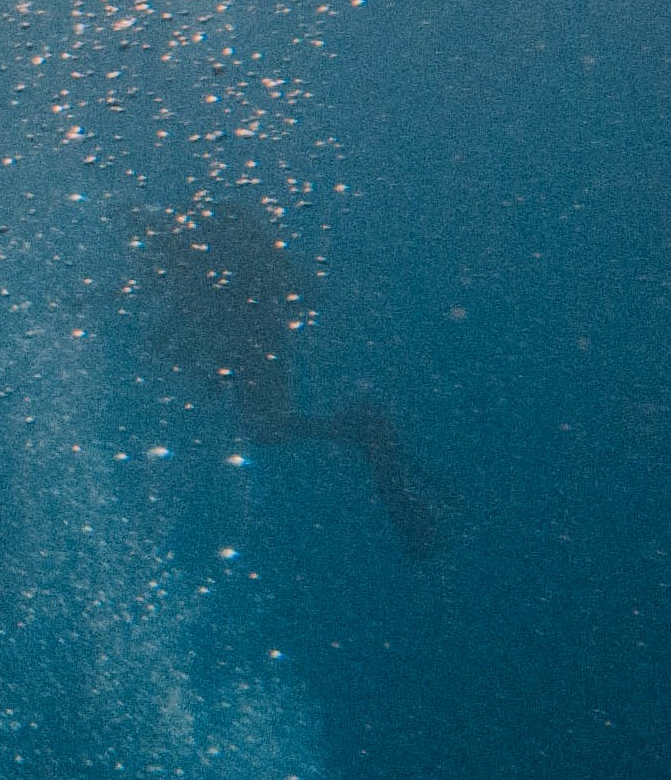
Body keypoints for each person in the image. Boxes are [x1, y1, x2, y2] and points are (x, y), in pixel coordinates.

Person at [129, 186, 449, 558]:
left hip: (250, 333)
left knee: (268, 426)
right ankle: (363, 436)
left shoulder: (181, 245)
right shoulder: (204, 236)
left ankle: (362, 432)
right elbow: (284, 287)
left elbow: (177, 313)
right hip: (258, 329)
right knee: (268, 424)